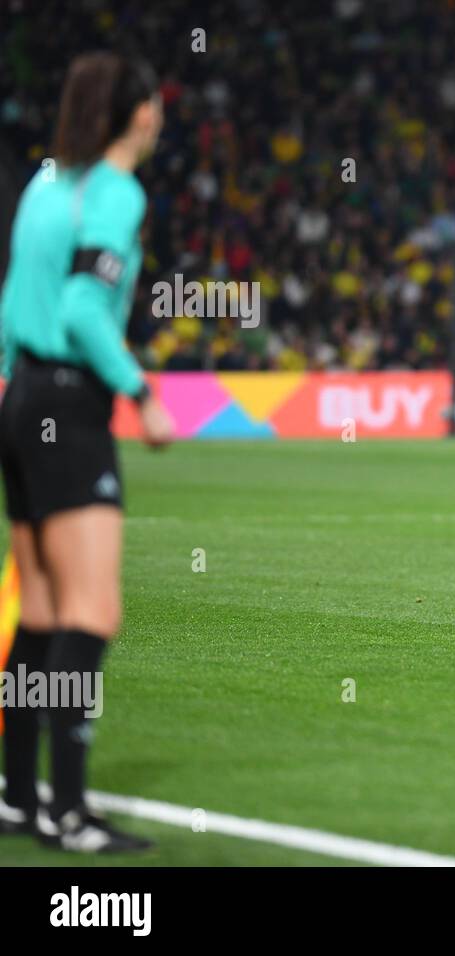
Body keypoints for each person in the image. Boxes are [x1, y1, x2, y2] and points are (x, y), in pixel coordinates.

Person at [0, 52, 174, 853]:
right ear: (135, 114)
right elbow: (80, 310)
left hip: (21, 398)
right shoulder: (113, 192)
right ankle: (69, 811)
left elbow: (13, 299)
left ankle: (15, 795)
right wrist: (139, 389)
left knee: (38, 611)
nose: (161, 113)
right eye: (154, 102)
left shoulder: (43, 187)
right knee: (91, 611)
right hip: (70, 405)